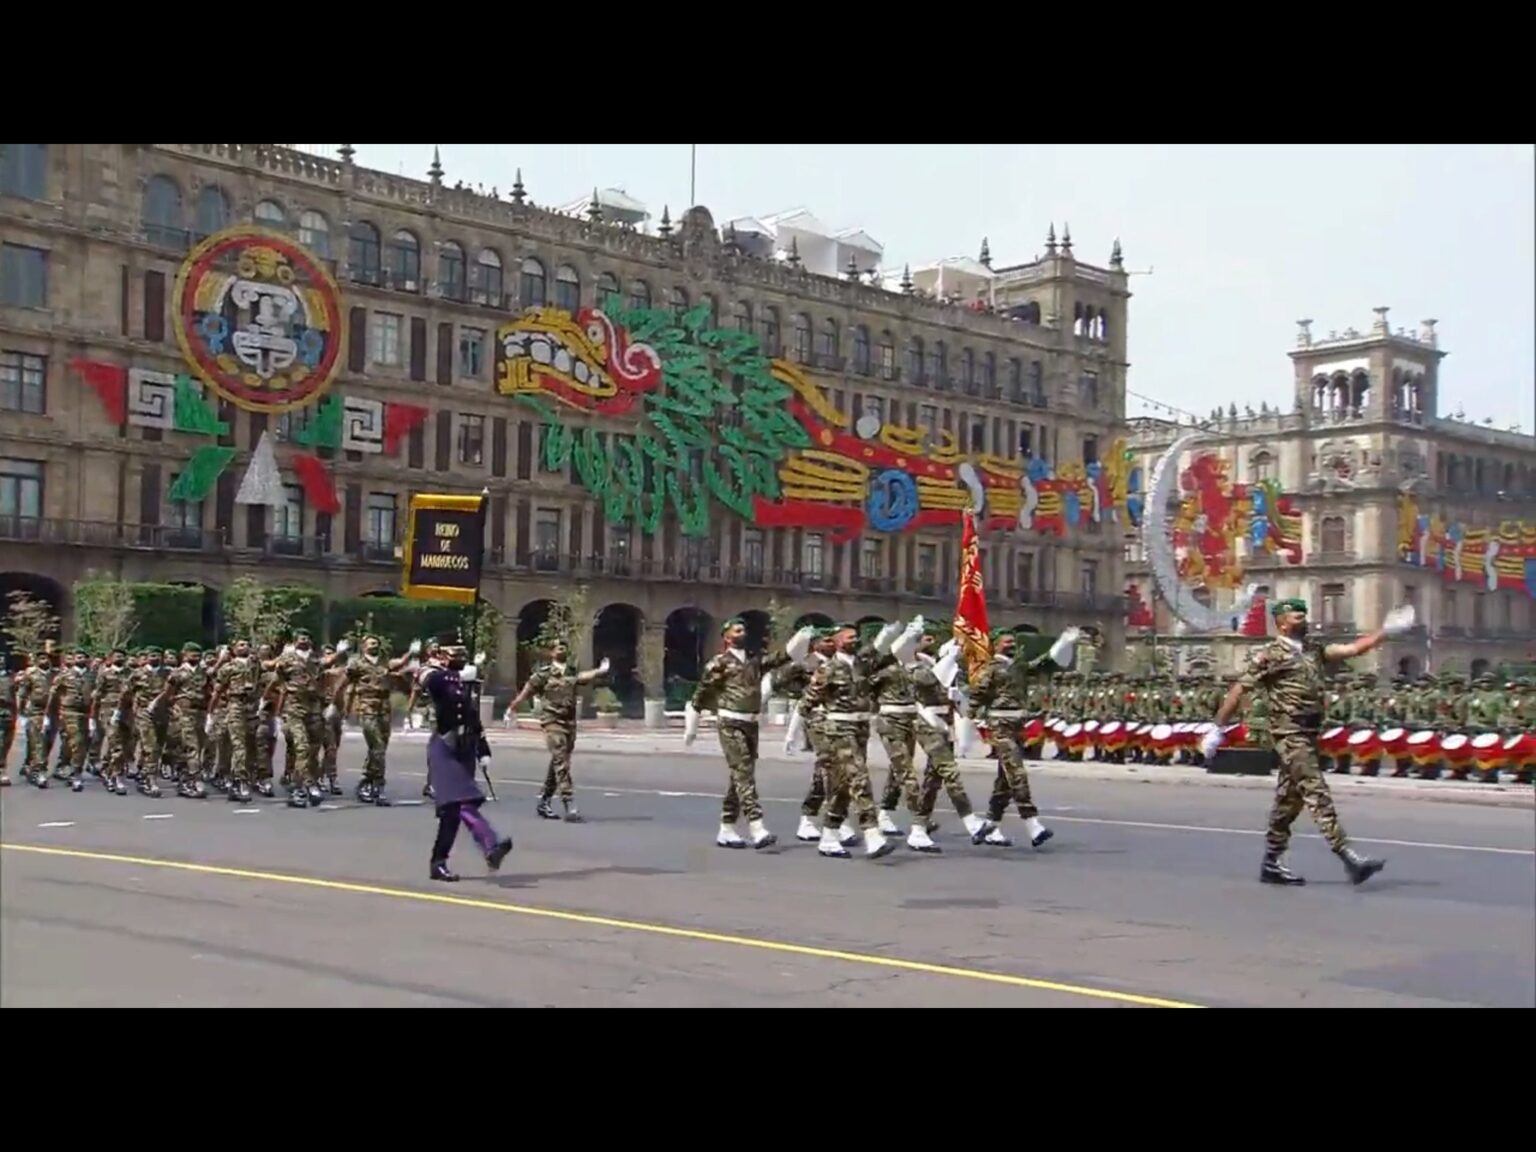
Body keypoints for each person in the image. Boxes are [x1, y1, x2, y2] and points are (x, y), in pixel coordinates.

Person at [1204, 597, 1412, 886]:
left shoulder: (1314, 650)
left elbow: (1353, 648)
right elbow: (1241, 687)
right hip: (1289, 734)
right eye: (1297, 616)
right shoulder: (1271, 654)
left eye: (1305, 614)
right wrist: (1217, 728)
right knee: (1316, 792)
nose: (1304, 619)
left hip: (1310, 734)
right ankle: (1348, 857)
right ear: (1282, 623)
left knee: (1288, 802)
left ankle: (1271, 864)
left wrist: (1386, 631)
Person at [422, 636, 512, 882]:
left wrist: (483, 749)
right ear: (442, 656)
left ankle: (438, 863)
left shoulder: (466, 683)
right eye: (455, 655)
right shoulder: (435, 674)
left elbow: (472, 717)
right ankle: (490, 845)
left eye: (463, 655)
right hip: (444, 747)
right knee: (462, 802)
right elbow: (430, 683)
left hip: (464, 748)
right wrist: (456, 676)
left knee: (452, 813)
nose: (461, 659)